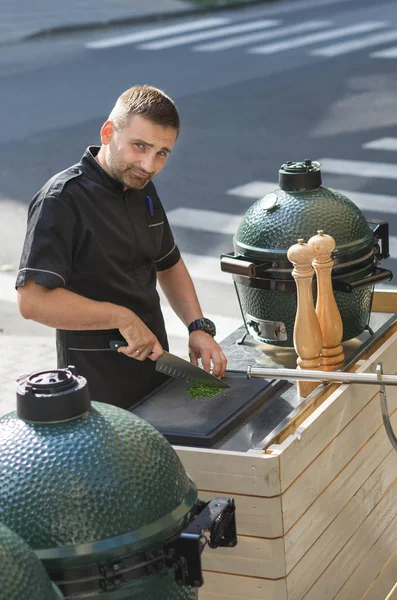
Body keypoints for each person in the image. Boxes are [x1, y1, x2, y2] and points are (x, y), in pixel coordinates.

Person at [16, 84, 227, 409]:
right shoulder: (61, 200)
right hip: (97, 390)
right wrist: (122, 318)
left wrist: (198, 327)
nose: (149, 164)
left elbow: (168, 263)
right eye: (139, 146)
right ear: (108, 132)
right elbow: (32, 302)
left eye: (162, 153)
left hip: (156, 374)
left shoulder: (142, 188)